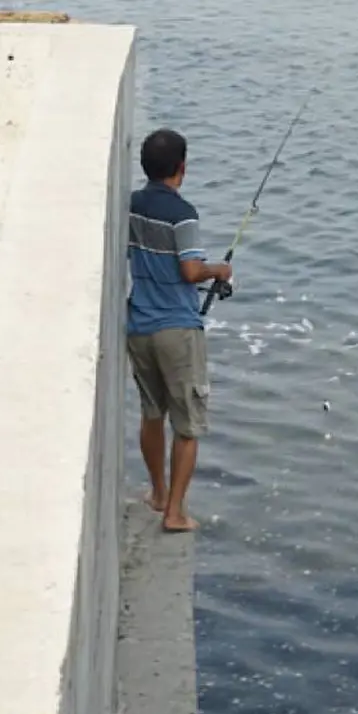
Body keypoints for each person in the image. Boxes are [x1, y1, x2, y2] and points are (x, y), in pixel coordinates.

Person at [127, 128, 231, 534]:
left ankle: (157, 493)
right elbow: (190, 270)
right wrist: (218, 270)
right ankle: (174, 512)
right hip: (177, 330)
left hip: (139, 326)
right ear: (182, 168)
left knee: (151, 413)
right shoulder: (183, 214)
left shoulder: (131, 206)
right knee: (187, 425)